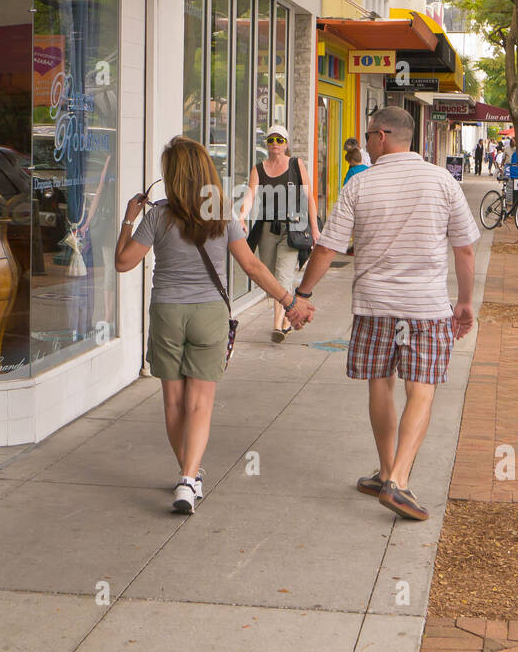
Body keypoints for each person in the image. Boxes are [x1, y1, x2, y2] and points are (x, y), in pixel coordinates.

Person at [297, 107, 478, 521]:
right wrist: (464, 302)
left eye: (367, 135)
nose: (365, 143)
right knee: (422, 388)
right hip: (427, 308)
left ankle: (386, 472)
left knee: (381, 384)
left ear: (381, 136)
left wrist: (302, 293)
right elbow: (465, 248)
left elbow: (327, 248)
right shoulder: (442, 181)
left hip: (375, 306)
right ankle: (396, 479)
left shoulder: (361, 184)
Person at [116, 136, 313, 513]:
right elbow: (253, 266)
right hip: (209, 315)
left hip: (167, 313)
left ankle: (186, 476)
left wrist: (129, 218)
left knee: (173, 401)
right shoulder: (222, 212)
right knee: (200, 404)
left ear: (172, 176)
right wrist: (290, 302)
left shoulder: (156, 215)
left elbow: (123, 263)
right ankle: (189, 479)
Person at [239, 124, 321, 343]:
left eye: (280, 140)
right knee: (270, 277)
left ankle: (280, 323)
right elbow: (250, 196)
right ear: (266, 143)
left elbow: (309, 198)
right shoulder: (259, 168)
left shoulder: (296, 164)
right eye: (271, 140)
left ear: (286, 144)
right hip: (267, 228)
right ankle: (287, 313)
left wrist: (314, 228)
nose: (275, 144)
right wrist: (241, 216)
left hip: (292, 227)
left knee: (283, 275)